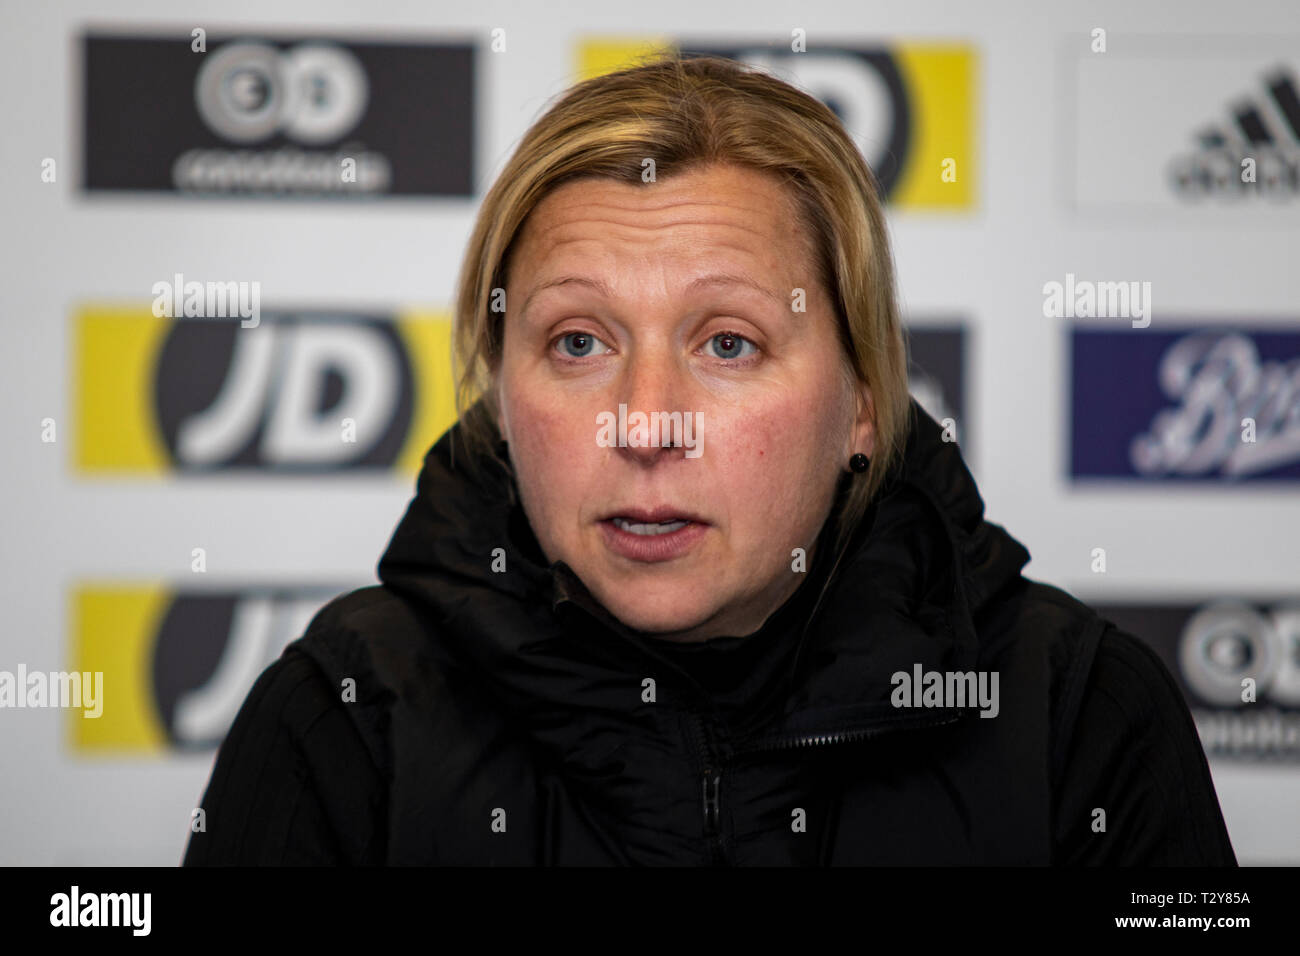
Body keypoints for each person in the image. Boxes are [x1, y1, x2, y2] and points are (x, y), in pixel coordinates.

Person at [183, 52, 1236, 866]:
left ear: (863, 402)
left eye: (728, 343)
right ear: (503, 398)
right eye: (578, 343)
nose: (644, 424)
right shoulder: (346, 713)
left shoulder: (1078, 713)